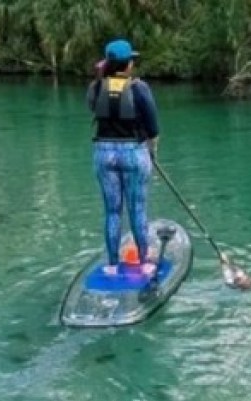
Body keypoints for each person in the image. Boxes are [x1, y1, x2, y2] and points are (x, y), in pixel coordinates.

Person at [87, 38, 160, 276]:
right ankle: (144, 262)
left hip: (104, 153)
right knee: (137, 208)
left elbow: (92, 108)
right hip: (133, 154)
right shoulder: (139, 88)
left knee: (112, 211)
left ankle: (112, 264)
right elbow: (153, 129)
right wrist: (152, 153)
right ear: (128, 64)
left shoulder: (96, 87)